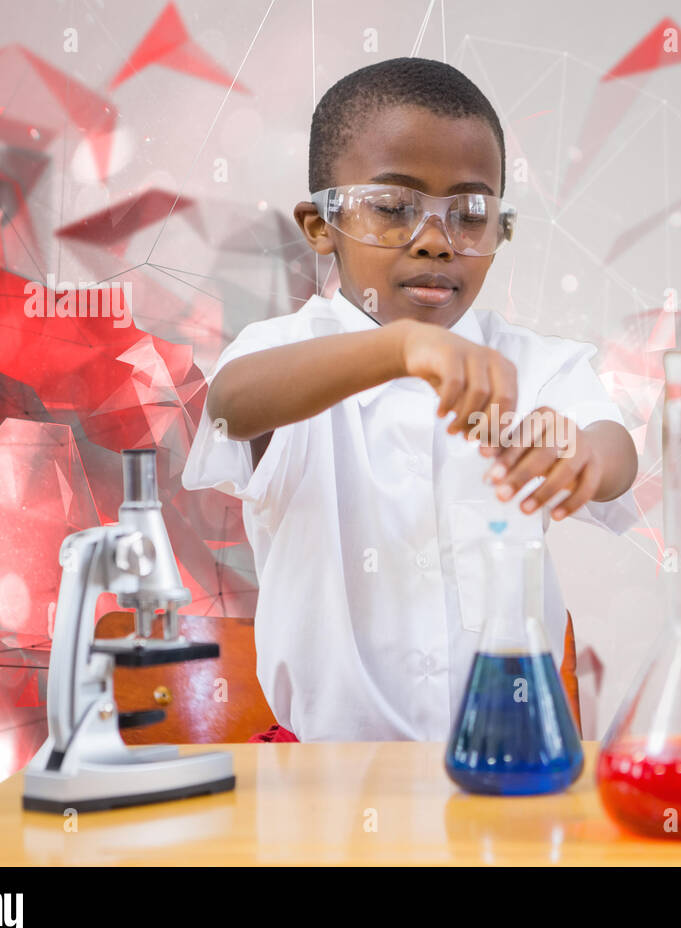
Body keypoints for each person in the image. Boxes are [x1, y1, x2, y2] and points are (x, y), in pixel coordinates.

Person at [182, 57, 640, 742]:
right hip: (323, 789)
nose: (435, 242)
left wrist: (578, 455)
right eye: (394, 210)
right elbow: (230, 404)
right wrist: (400, 349)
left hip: (510, 769)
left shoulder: (533, 364)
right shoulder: (283, 352)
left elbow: (615, 449)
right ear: (319, 225)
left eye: (470, 214)